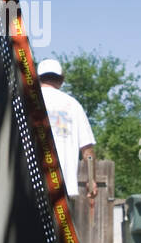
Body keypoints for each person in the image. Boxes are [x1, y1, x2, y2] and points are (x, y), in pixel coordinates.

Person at [37, 58, 97, 201]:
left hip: (32, 185)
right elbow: (87, 151)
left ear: (37, 79)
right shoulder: (73, 105)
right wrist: (91, 179)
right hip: (63, 189)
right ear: (61, 80)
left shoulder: (26, 102)